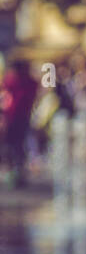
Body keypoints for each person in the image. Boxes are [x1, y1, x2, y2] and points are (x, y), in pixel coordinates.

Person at [0, 56, 38, 187]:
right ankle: (17, 175)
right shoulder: (29, 81)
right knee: (18, 148)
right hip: (23, 118)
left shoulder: (12, 80)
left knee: (12, 147)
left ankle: (14, 175)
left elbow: (7, 100)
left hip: (13, 118)